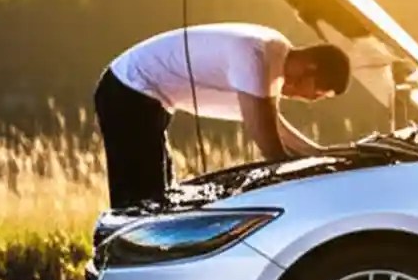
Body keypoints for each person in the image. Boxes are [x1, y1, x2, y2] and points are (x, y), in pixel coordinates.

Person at [93, 22, 351, 209]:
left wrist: (320, 154)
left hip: (150, 98)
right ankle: (121, 266)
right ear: (311, 68)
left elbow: (274, 126)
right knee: (141, 201)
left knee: (159, 196)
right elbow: (269, 143)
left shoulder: (273, 55)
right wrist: (298, 180)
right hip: (129, 89)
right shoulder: (257, 55)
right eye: (316, 93)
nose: (309, 100)